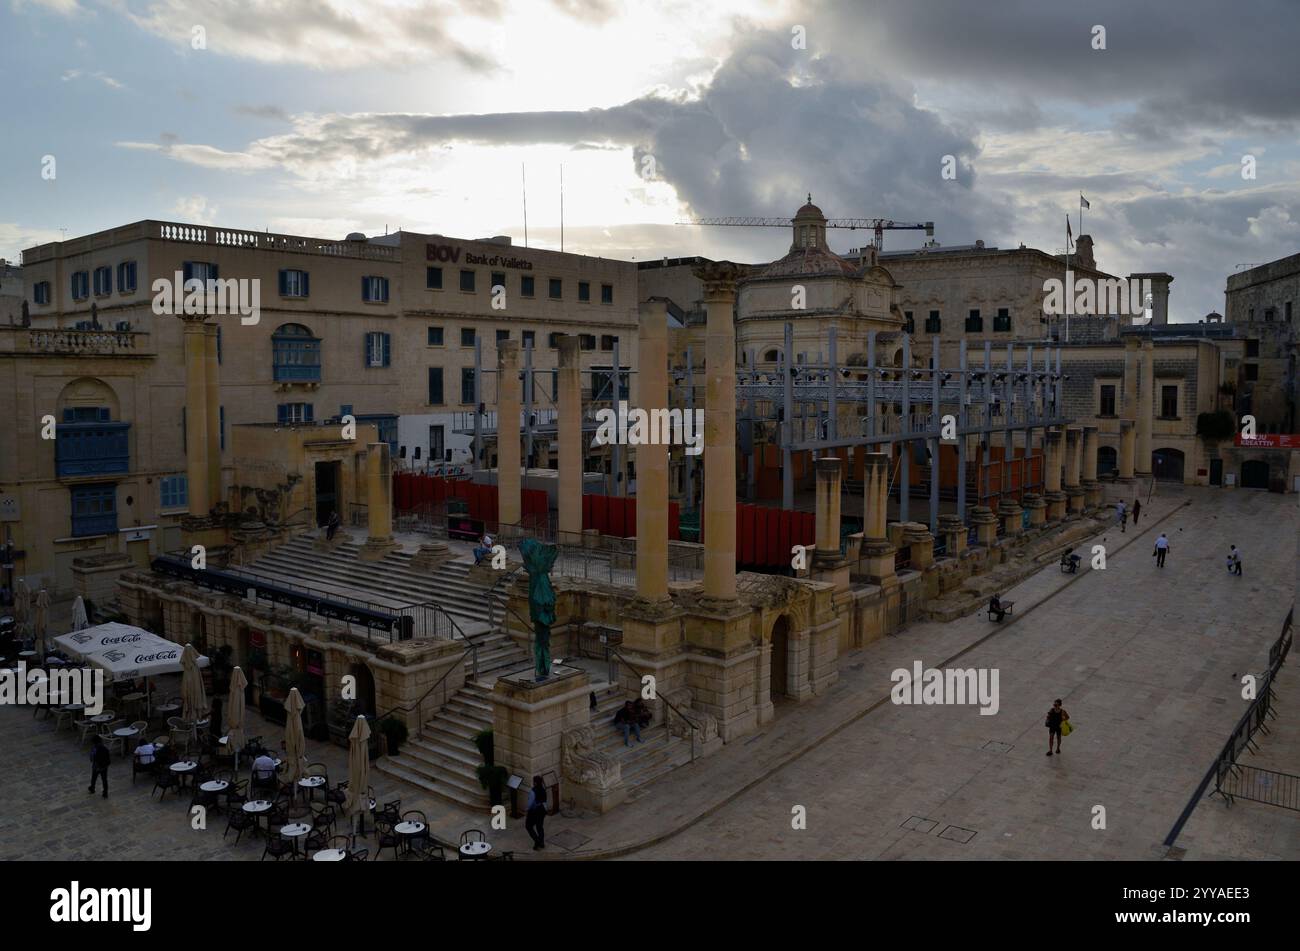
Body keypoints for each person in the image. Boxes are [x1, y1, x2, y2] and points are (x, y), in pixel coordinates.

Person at [525, 775, 548, 850]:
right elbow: (544, 800)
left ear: (534, 782)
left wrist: (527, 809)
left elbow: (530, 803)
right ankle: (542, 843)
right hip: (542, 810)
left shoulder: (533, 791)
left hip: (534, 811)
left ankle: (537, 841)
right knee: (539, 827)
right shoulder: (543, 789)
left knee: (528, 826)